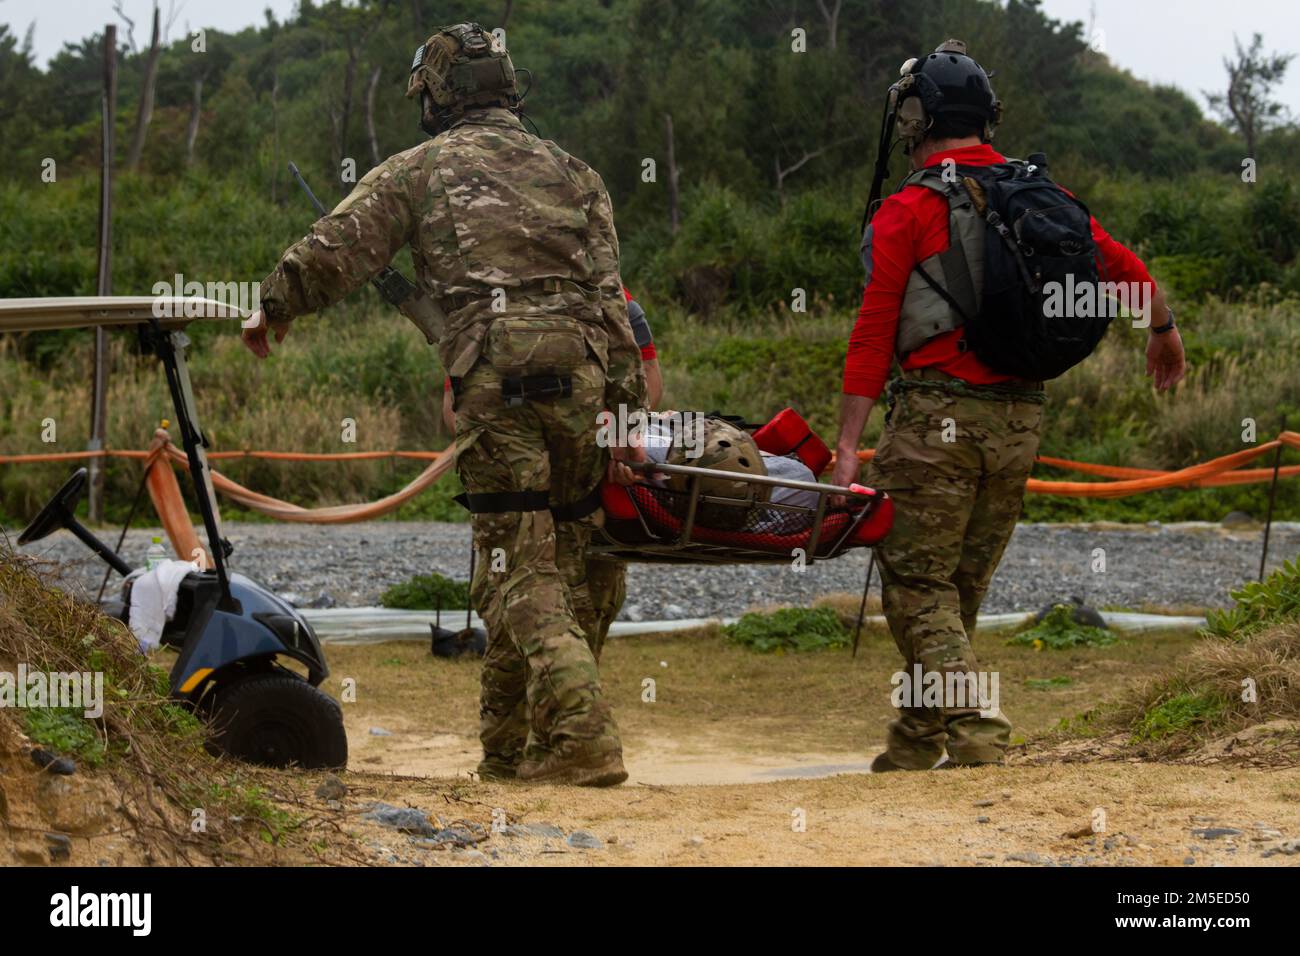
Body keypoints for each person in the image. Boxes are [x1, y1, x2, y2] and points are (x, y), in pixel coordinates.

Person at [242, 22, 646, 787]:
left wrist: (275, 303)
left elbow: (341, 244)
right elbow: (611, 305)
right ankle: (511, 751)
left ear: (437, 95)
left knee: (510, 570)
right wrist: (625, 413)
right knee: (566, 561)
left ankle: (584, 736)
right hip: (587, 382)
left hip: (499, 381)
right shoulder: (577, 174)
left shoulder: (421, 169)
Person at [830, 39, 1186, 772]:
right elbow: (1129, 272)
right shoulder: (1040, 198)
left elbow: (872, 336)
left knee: (916, 581)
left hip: (937, 421)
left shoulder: (907, 210)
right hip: (1022, 420)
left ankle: (979, 724)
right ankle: (916, 740)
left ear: (916, 119)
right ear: (988, 117)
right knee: (957, 589)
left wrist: (845, 447)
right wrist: (1165, 335)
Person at [441, 286, 660, 775]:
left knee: (542, 614)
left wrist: (614, 441)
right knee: (530, 620)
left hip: (568, 510)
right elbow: (454, 407)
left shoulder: (613, 303)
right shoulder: (494, 304)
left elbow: (647, 384)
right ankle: (525, 757)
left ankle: (547, 752)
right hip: (556, 510)